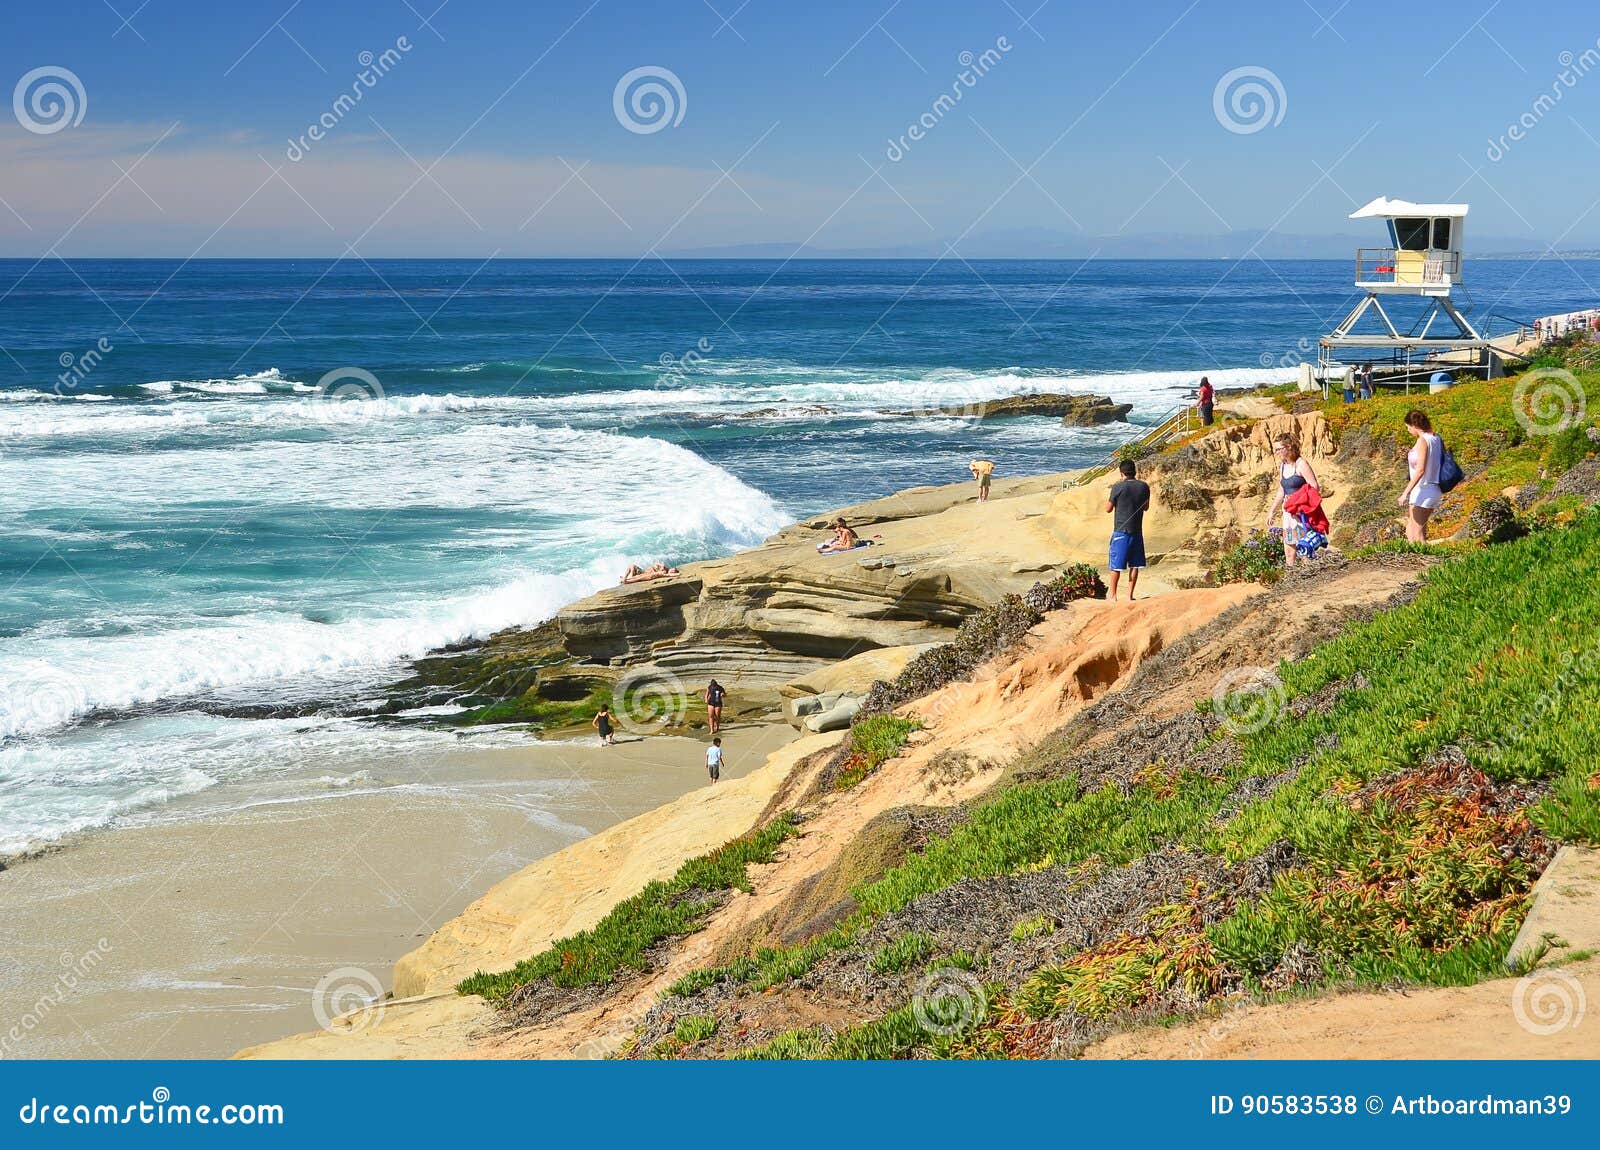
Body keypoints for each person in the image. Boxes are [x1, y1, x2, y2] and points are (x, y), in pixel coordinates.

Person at [1264, 432, 1319, 567]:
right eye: (1275, 449)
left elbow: (1314, 486)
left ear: (1289, 447)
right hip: (1288, 513)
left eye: (1278, 449)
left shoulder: (1301, 464)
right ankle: (1291, 580)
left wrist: (1299, 499)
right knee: (1289, 549)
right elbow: (1282, 490)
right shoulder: (1283, 465)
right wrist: (1272, 511)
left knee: (1303, 549)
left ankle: (1311, 578)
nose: (1276, 452)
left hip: (1301, 515)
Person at [1105, 459, 1150, 602]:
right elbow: (1146, 507)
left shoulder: (1118, 487)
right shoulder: (1144, 487)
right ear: (1134, 471)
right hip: (1137, 530)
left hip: (1121, 530)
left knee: (1116, 566)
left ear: (1121, 473)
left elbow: (1108, 509)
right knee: (1135, 565)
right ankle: (1130, 596)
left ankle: (1113, 596)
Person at [1398, 409, 1443, 542]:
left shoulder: (1423, 440)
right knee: (1411, 531)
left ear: (1414, 425)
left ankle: (1429, 562)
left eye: (1408, 427)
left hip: (1423, 489)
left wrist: (1405, 493)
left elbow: (1420, 470)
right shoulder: (1436, 438)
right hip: (1434, 488)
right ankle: (1421, 560)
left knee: (1416, 536)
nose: (1408, 430)